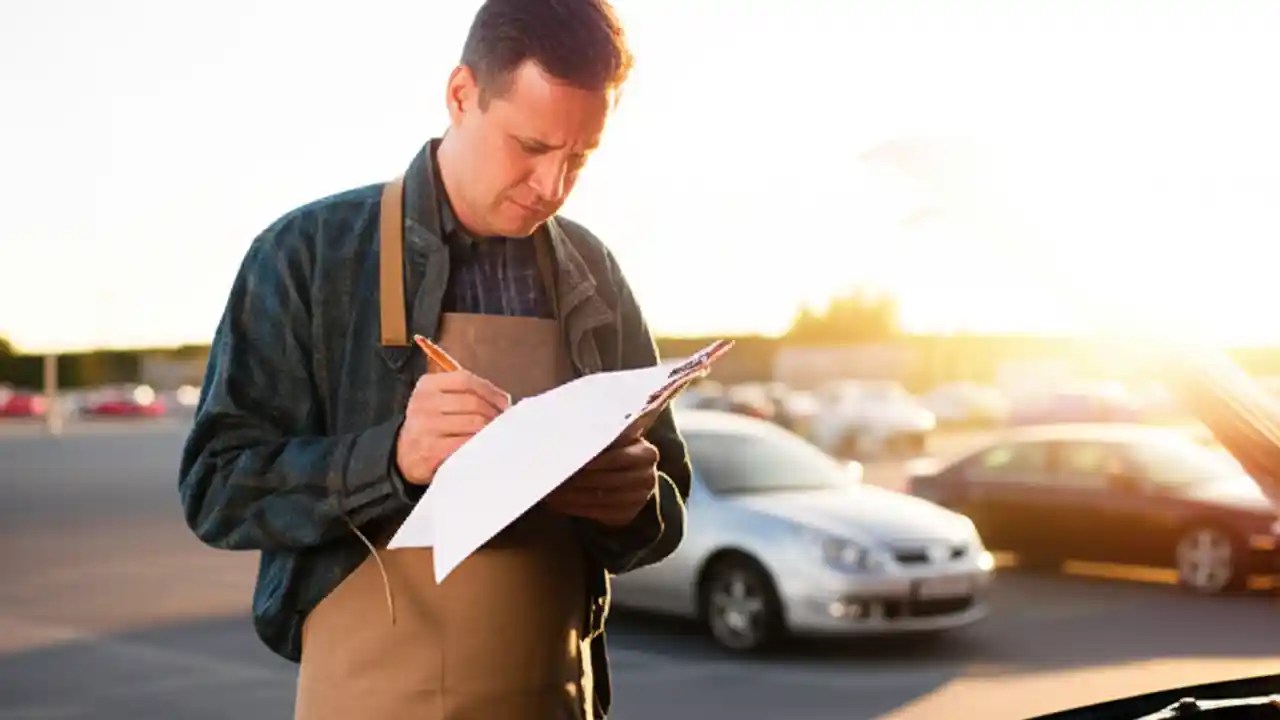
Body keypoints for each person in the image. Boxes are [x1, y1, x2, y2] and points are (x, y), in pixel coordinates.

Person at [177, 1, 692, 718]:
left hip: (553, 698)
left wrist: (632, 507)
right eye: (532, 146)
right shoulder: (305, 256)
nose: (552, 185)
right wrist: (390, 460)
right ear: (460, 95)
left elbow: (665, 508)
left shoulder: (594, 274)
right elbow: (216, 489)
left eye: (578, 157)